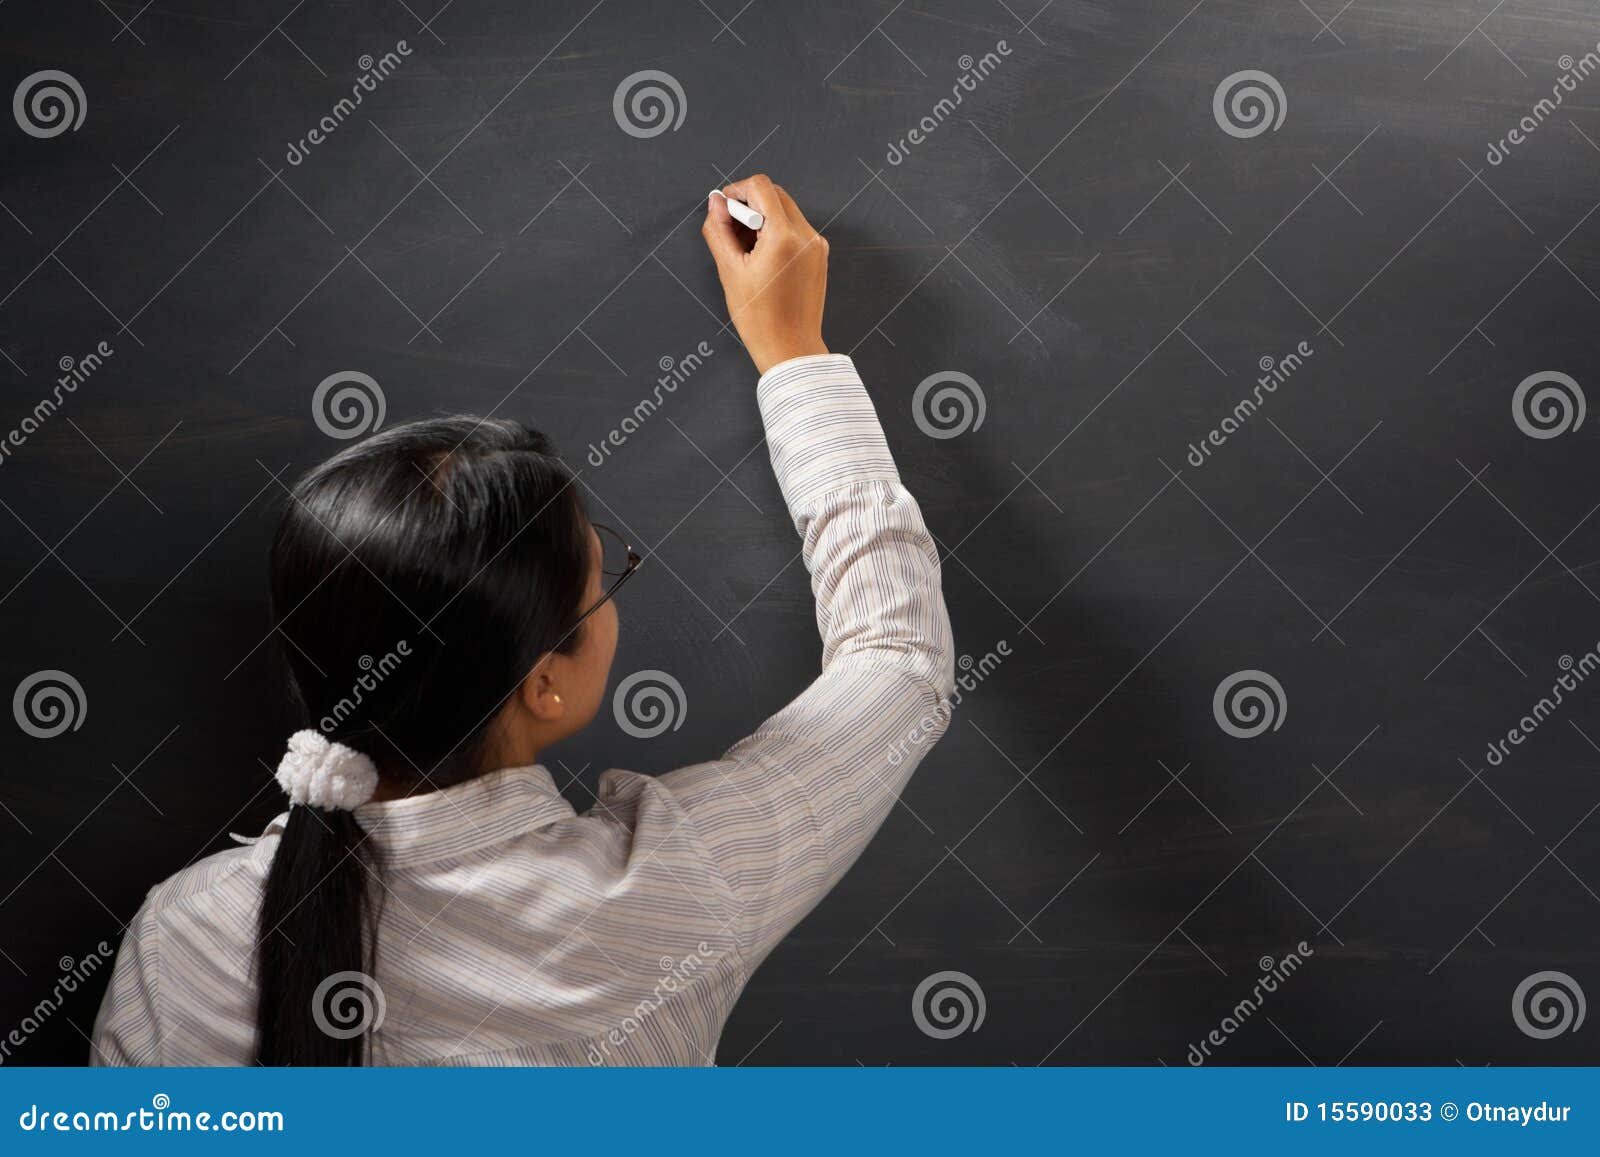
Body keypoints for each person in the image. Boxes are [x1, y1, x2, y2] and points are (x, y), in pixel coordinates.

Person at [91, 175, 955, 1066]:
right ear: (544, 680)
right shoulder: (673, 893)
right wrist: (793, 352)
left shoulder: (186, 936)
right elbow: (896, 656)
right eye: (601, 576)